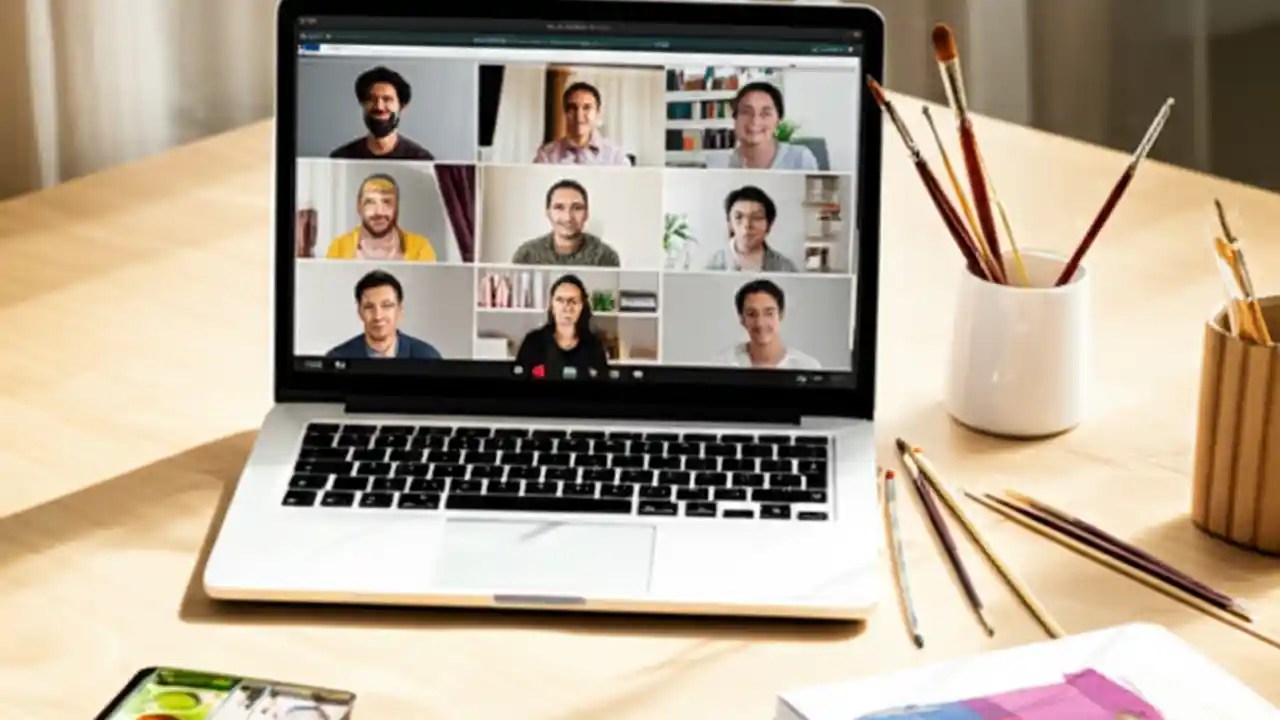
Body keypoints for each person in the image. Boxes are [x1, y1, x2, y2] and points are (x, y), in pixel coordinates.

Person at [326, 270, 442, 359]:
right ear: (359, 312)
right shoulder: (338, 358)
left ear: (400, 310)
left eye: (386, 306)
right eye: (369, 307)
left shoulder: (427, 357)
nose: (378, 316)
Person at [706, 81, 819, 171]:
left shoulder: (800, 159)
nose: (755, 120)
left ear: (778, 121)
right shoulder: (718, 163)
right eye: (746, 112)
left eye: (765, 113)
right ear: (735, 119)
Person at [514, 274, 610, 379]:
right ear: (552, 305)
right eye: (560, 300)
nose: (567, 307)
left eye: (573, 301)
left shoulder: (593, 345)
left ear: (582, 307)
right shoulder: (533, 342)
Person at [329, 66, 434, 160]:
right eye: (371, 99)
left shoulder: (421, 160)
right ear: (362, 104)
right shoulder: (341, 159)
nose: (379, 107)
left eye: (387, 99)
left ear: (401, 106)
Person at [325, 174, 436, 261]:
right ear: (358, 206)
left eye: (387, 202)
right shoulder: (339, 247)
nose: (378, 212)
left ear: (396, 207)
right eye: (370, 202)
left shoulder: (420, 249)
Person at [511, 179, 620, 266]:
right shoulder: (527, 255)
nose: (568, 217)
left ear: (586, 214)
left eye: (577, 208)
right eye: (559, 207)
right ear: (548, 213)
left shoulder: (605, 256)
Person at [715, 279, 820, 369]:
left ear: (781, 315)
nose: (760, 323)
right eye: (751, 314)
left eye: (769, 313)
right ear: (742, 319)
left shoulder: (807, 367)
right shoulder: (724, 364)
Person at [532, 81, 630, 166]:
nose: (579, 115)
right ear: (565, 112)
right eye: (573, 108)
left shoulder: (616, 157)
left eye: (587, 108)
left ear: (598, 112)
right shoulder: (547, 156)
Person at [704, 185, 798, 272]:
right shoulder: (713, 265)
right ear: (730, 223)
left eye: (756, 217)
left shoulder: (785, 267)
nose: (747, 225)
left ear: (769, 225)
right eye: (739, 217)